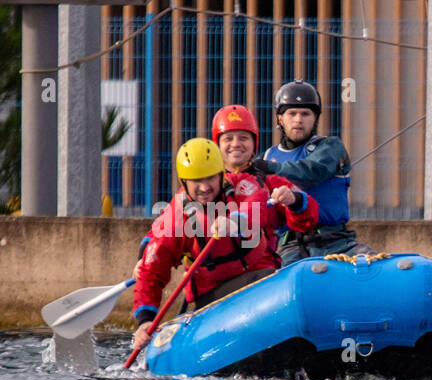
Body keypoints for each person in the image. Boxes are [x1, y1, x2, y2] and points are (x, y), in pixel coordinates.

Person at [131, 138, 318, 353]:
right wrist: (146, 320)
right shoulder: (175, 217)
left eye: (210, 178)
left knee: (270, 279)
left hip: (260, 282)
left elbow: (264, 205)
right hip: (213, 298)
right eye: (196, 181)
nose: (204, 187)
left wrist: (292, 200)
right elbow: (152, 271)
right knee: (265, 281)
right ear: (184, 182)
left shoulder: (245, 186)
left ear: (221, 174)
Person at [247, 80, 373, 264]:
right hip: (290, 246)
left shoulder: (330, 146)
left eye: (305, 114)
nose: (299, 119)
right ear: (280, 119)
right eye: (292, 113)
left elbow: (311, 172)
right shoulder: (268, 155)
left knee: (374, 266)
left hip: (338, 242)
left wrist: (269, 167)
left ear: (315, 118)